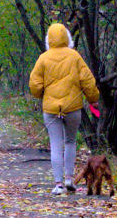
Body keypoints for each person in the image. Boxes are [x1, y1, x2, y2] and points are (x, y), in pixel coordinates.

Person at [28, 22, 100, 195]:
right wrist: (93, 99)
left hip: (51, 109)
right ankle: (69, 179)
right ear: (67, 38)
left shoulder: (43, 58)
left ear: (48, 40)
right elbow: (88, 81)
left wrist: (41, 95)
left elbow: (34, 85)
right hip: (72, 108)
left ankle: (58, 184)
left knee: (55, 144)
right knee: (70, 141)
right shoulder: (74, 57)